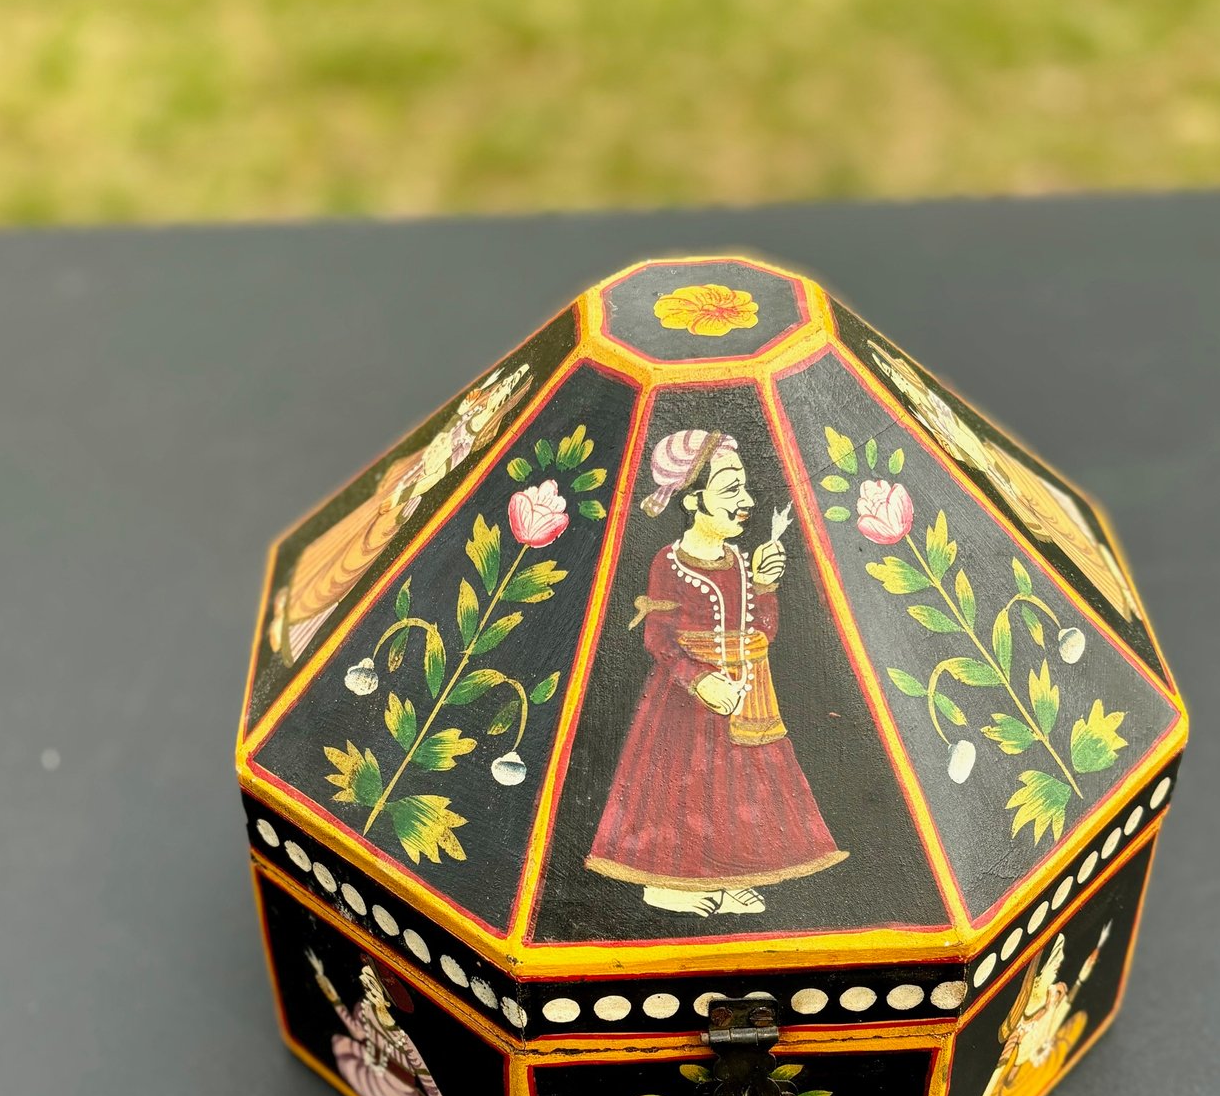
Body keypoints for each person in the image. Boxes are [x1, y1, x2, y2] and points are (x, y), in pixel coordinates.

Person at [586, 430, 847, 916]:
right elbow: (656, 638)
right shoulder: (670, 562)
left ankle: (726, 879)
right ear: (693, 499)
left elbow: (762, 632)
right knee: (678, 792)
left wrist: (766, 587)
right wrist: (698, 678)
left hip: (745, 694)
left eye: (744, 488)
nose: (745, 500)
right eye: (731, 489)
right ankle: (666, 886)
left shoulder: (742, 562)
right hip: (683, 703)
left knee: (734, 796)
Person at [268, 363, 531, 665]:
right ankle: (295, 594)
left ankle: (299, 616)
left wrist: (400, 496)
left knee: (355, 556)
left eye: (496, 397)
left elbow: (437, 473)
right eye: (492, 393)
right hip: (401, 481)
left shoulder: (469, 440)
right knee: (346, 533)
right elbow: (447, 430)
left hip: (403, 498)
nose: (489, 399)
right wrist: (470, 404)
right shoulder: (467, 418)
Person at [865, 343, 1139, 621]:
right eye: (894, 376)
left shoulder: (932, 406)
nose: (898, 379)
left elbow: (965, 439)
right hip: (993, 473)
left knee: (1065, 533)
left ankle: (1117, 594)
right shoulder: (917, 410)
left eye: (898, 375)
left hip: (1000, 469)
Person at [308, 949, 481, 1096]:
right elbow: (357, 1033)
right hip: (371, 1074)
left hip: (401, 1095)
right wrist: (334, 998)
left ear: (386, 999)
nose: (367, 990)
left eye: (372, 986)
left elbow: (430, 1086)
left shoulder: (402, 1038)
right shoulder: (365, 1010)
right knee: (345, 1053)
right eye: (366, 984)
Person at [955, 924, 1108, 1096]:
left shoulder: (1051, 1000)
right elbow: (996, 1076)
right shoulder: (1031, 1006)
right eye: (1052, 970)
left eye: (1055, 970)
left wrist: (1073, 984)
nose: (1054, 975)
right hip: (1020, 1052)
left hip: (1032, 1047)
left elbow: (1055, 1015)